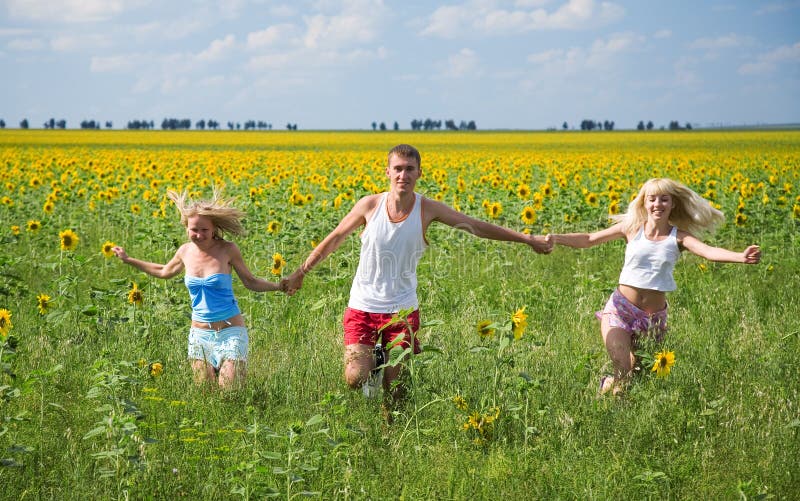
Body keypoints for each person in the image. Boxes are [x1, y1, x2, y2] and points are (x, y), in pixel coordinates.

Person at [284, 144, 552, 406]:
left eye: (410, 169)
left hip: (402, 309)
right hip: (363, 306)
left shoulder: (427, 209)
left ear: (419, 173)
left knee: (398, 390)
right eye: (398, 169)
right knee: (355, 377)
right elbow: (335, 238)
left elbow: (476, 227)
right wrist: (301, 272)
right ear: (387, 172)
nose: (404, 175)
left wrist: (527, 238)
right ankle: (377, 361)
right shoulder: (369, 206)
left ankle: (391, 436)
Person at [547, 178, 761, 395]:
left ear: (673, 204)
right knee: (622, 371)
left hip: (653, 319)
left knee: (637, 376)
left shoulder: (679, 237)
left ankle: (607, 385)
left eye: (664, 199)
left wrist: (741, 257)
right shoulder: (631, 229)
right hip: (620, 310)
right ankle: (616, 413)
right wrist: (556, 238)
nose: (657, 204)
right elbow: (590, 238)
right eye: (652, 199)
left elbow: (708, 252)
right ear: (644, 203)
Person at [113, 189, 285, 389]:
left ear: (214, 229)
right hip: (200, 334)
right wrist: (128, 260)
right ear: (186, 228)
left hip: (230, 331)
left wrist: (278, 286)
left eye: (204, 230)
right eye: (194, 229)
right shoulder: (184, 252)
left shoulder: (228, 250)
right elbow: (163, 271)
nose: (199, 234)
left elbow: (250, 281)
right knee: (204, 391)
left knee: (229, 389)